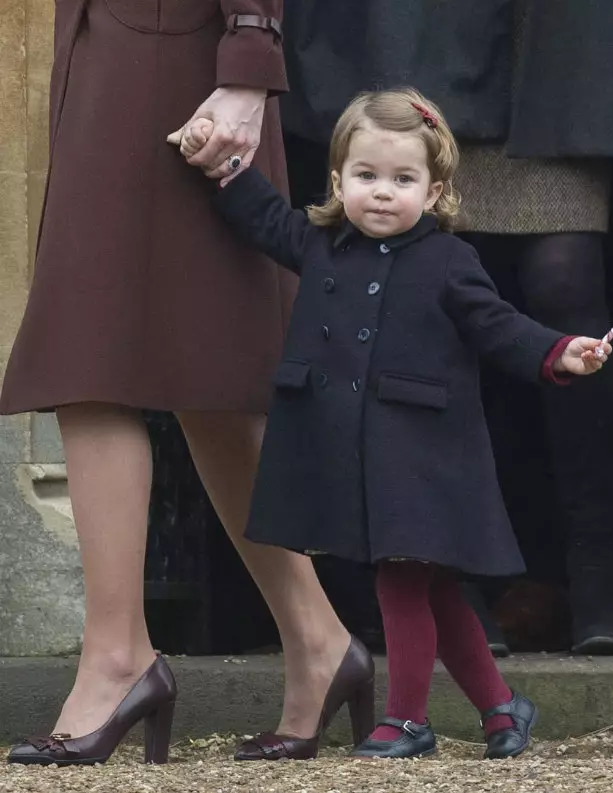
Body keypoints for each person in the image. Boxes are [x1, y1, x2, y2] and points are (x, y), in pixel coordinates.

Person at [173, 87, 613, 759]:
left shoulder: (448, 261)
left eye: (403, 179)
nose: (382, 193)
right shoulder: (323, 243)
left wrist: (558, 350)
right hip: (354, 452)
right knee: (434, 588)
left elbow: (499, 328)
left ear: (435, 191)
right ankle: (502, 705)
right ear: (338, 179)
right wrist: (224, 169)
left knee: (402, 582)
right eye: (367, 176)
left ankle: (408, 716)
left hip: (423, 453)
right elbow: (265, 220)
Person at [2, 0, 373, 767]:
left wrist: (247, 50)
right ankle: (317, 638)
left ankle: (116, 658)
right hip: (113, 48)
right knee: (195, 373)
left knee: (92, 357)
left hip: (179, 56)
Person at [277, 0, 613, 657]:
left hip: (552, 53)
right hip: (410, 38)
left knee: (567, 279)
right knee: (412, 294)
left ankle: (600, 571)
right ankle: (443, 569)